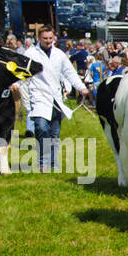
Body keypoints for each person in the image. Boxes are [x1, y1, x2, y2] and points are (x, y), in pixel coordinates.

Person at [23, 25, 92, 171]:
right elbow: (22, 72)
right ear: (39, 38)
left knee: (54, 133)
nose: (48, 41)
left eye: (50, 38)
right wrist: (16, 85)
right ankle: (43, 162)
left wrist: (81, 87)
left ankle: (53, 162)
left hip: (56, 97)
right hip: (39, 95)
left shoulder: (59, 54)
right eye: (45, 38)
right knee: (41, 128)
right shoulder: (30, 53)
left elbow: (69, 72)